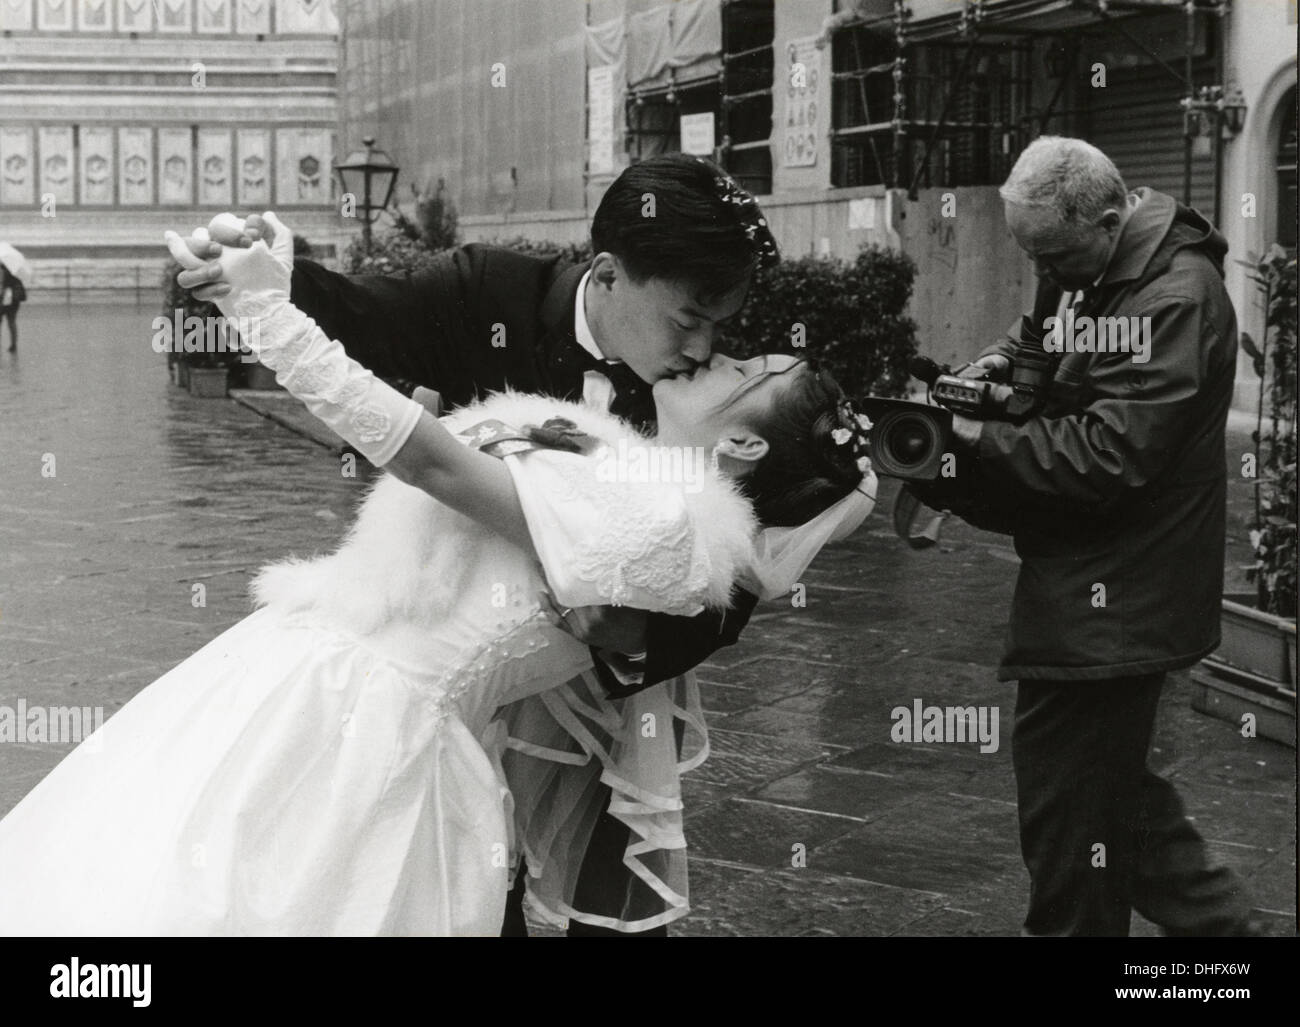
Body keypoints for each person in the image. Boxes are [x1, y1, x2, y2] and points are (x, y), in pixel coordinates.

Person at [0, 212, 875, 935]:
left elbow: (435, 464)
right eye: (708, 330)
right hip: (306, 664)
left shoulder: (675, 529)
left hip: (377, 718)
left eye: (745, 365)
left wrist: (269, 318)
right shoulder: (631, 468)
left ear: (746, 442)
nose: (720, 350)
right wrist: (282, 268)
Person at [177, 154, 781, 935]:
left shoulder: (714, 394)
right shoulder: (486, 292)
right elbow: (365, 321)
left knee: (611, 907)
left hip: (604, 699)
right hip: (462, 685)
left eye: (719, 326)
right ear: (606, 274)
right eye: (688, 321)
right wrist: (264, 275)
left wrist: (639, 636)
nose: (703, 348)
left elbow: (737, 561)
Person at [942, 136, 1253, 936]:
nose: (1042, 275)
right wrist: (996, 369)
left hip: (1119, 595)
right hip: (1092, 585)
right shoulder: (1091, 269)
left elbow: (1108, 456)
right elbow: (1039, 342)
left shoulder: (1173, 300)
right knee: (1106, 801)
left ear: (1110, 220)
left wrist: (974, 442)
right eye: (1029, 255)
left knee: (1072, 818)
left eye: (1051, 254)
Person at [0, 260, 24, 352]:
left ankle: (13, 344)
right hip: (14, 302)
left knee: (9, 323)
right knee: (12, 322)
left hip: (4, 301)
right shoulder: (16, 273)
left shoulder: (3, 273)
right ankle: (13, 345)